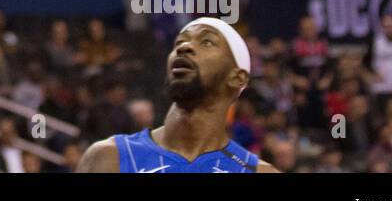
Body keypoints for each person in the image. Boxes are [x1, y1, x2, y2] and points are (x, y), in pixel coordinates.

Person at [77, 18, 277, 173]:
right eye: (179, 42)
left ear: (237, 78)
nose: (184, 47)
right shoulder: (109, 157)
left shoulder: (257, 171)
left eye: (206, 42)